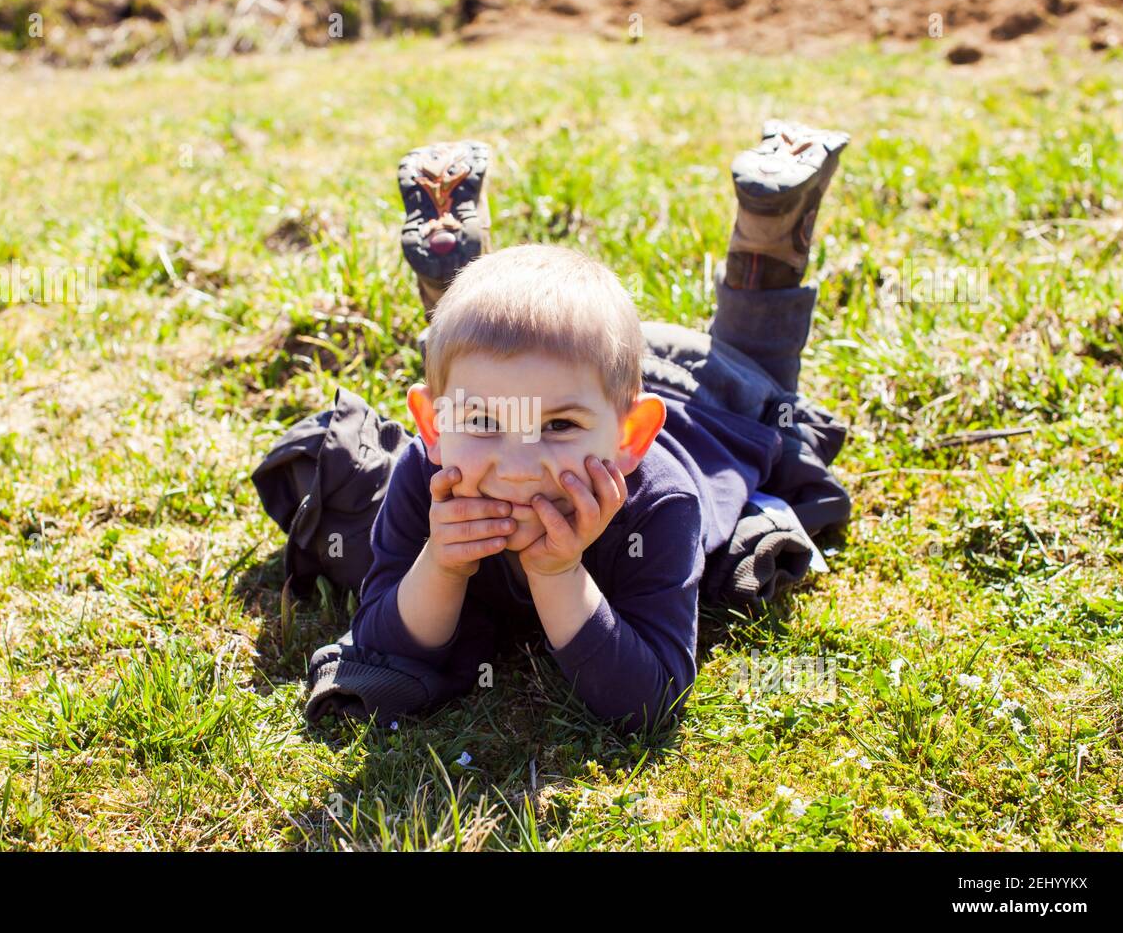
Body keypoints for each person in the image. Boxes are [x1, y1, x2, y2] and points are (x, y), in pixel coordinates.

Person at [346, 122, 851, 733]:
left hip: (712, 404)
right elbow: (379, 647)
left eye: (556, 427)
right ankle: (457, 292)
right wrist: (441, 565)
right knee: (482, 347)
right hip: (578, 370)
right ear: (430, 424)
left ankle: (767, 237)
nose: (517, 464)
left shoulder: (663, 504)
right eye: (480, 420)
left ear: (631, 437)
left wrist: (557, 574)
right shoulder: (430, 475)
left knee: (759, 381)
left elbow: (649, 697)